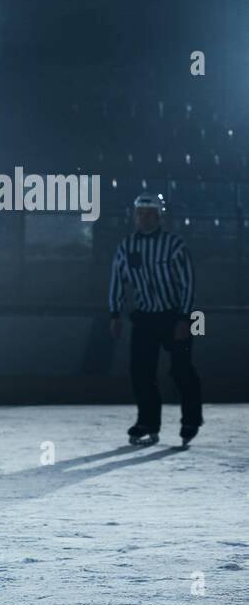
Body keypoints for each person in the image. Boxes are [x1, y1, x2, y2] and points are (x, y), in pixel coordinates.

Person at [108, 191, 202, 446]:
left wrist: (185, 318)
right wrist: (115, 314)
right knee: (141, 371)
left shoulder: (174, 244)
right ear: (135, 216)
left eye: (150, 214)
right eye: (141, 213)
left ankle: (191, 420)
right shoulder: (127, 246)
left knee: (182, 370)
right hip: (145, 317)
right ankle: (148, 421)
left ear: (159, 216)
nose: (145, 218)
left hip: (175, 315)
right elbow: (118, 279)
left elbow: (188, 284)